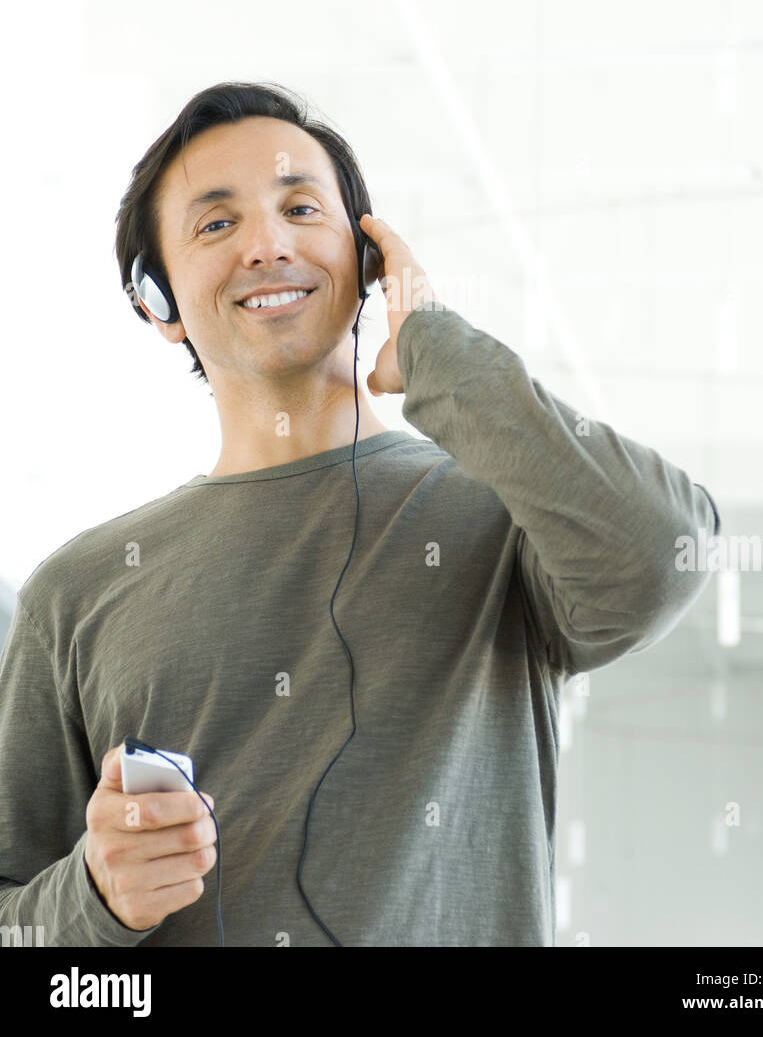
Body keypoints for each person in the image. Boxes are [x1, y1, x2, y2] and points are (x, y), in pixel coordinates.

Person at [0, 81, 720, 947]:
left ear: (369, 258)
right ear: (157, 301)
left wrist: (439, 353)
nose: (268, 244)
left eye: (301, 207)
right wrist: (95, 896)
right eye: (217, 223)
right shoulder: (75, 594)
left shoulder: (504, 518)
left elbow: (664, 550)